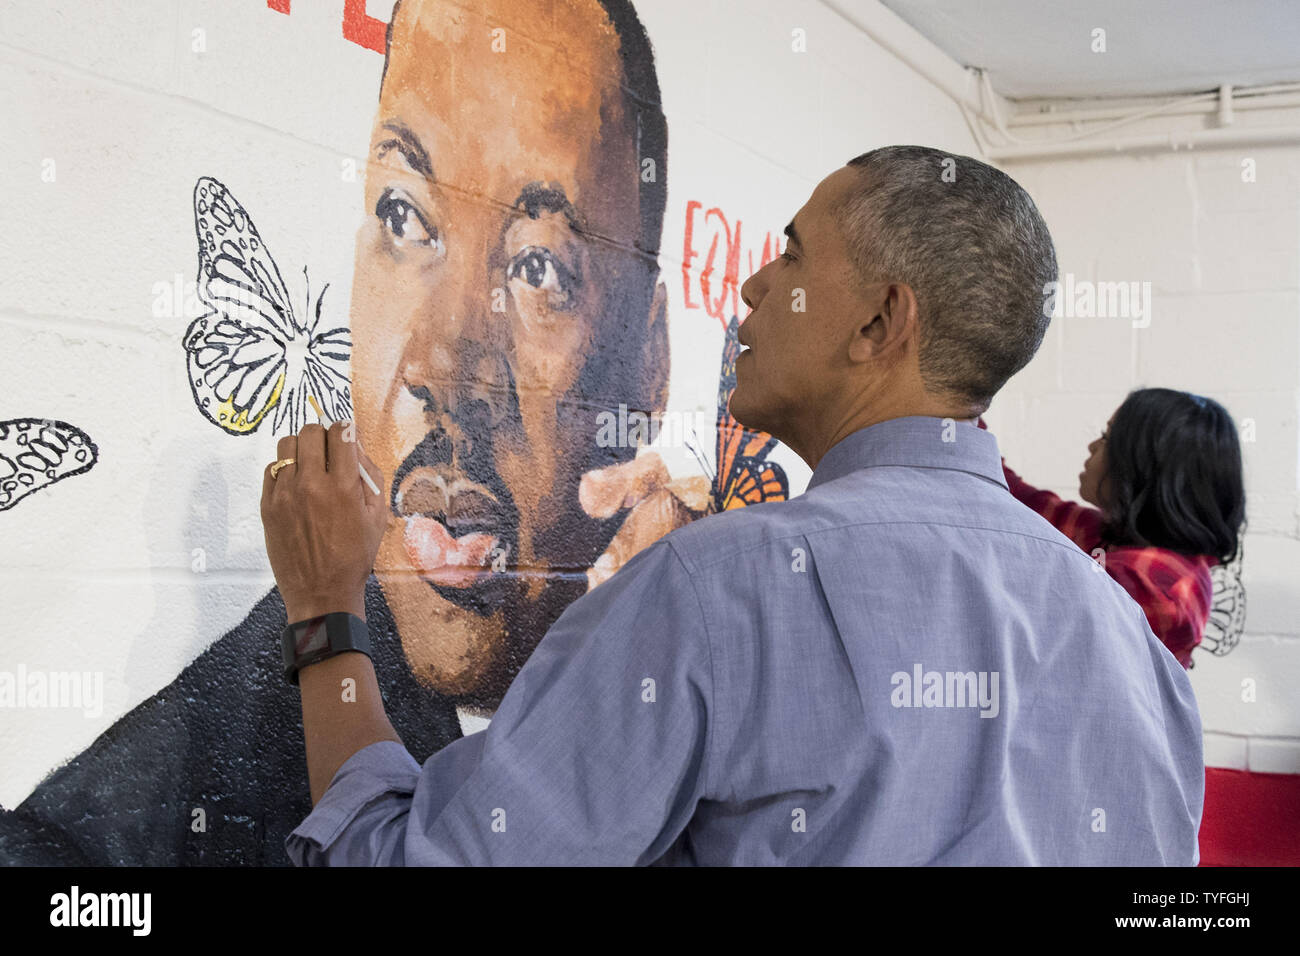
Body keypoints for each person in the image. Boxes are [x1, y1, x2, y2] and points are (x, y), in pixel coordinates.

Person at [263, 146, 1205, 865]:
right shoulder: (1137, 659)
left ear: (880, 322)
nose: (753, 283)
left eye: (792, 257)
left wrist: (323, 610)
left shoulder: (719, 588)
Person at [0, 0, 704, 866]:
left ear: (651, 362)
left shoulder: (682, 703)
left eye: (538, 268)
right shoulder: (116, 826)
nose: (443, 362)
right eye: (404, 219)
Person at [980, 389, 1246, 669]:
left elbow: (1018, 618)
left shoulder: (1153, 584)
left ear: (1144, 465)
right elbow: (1025, 500)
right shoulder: (1120, 542)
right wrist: (966, 417)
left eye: (1108, 438)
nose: (1093, 446)